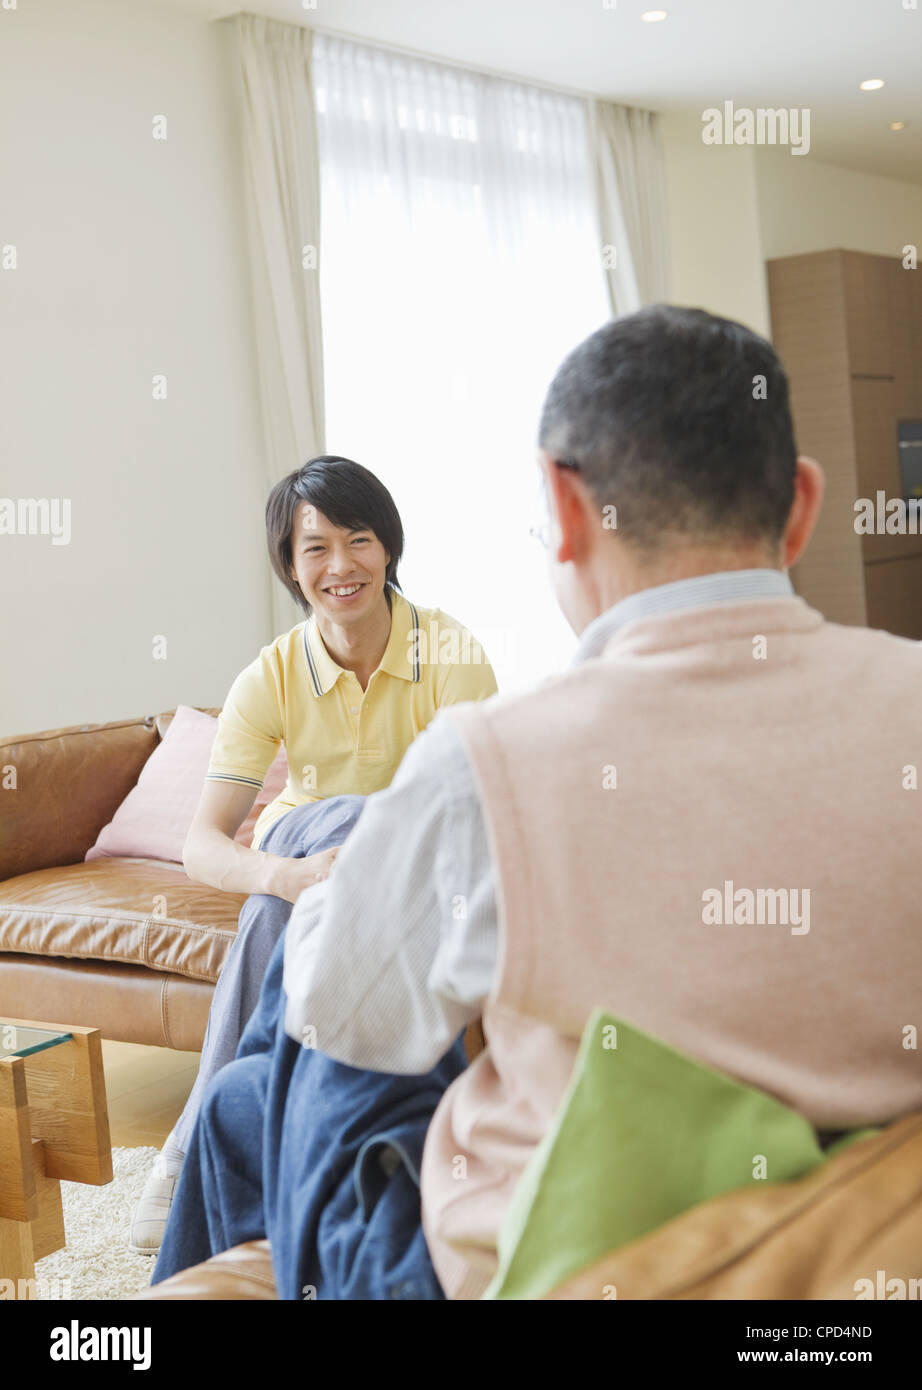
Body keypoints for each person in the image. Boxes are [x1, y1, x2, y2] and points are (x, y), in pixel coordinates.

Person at [148, 306, 922, 1299]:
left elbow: (343, 1020)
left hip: (561, 1259)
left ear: (564, 507)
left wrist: (348, 900)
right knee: (248, 1091)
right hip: (859, 1225)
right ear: (802, 504)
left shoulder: (487, 761)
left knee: (304, 1023)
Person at [129, 455, 497, 1254]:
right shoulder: (271, 675)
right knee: (294, 876)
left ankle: (198, 1140)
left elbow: (471, 813)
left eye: (358, 540)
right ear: (291, 570)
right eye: (315, 548)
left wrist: (360, 854)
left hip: (417, 871)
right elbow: (203, 842)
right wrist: (287, 875)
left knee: (357, 830)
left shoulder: (452, 654)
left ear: (388, 549)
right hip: (307, 860)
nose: (341, 566)